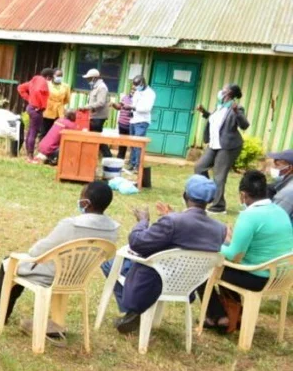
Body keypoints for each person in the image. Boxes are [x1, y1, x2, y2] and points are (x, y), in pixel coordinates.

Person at [0, 181, 119, 342]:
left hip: (51, 274)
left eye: (81, 197)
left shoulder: (71, 225)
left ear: (86, 203)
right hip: (78, 276)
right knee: (19, 264)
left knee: (10, 262)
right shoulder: (113, 229)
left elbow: (36, 252)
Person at [107, 175, 227, 334]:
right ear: (210, 201)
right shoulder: (219, 229)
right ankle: (134, 313)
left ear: (185, 195)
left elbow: (137, 242)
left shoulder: (172, 222)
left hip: (154, 280)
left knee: (110, 263)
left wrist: (142, 221)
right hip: (186, 284)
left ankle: (133, 310)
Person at [201, 170, 293, 332]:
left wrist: (214, 242)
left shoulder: (250, 216)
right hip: (283, 276)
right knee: (225, 266)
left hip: (259, 278)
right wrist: (231, 240)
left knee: (202, 268)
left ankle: (217, 316)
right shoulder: (280, 212)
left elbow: (234, 256)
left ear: (243, 194)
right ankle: (234, 314)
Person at [194, 83, 249, 213]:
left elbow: (245, 125)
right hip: (214, 144)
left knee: (219, 175)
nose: (221, 91)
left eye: (224, 89)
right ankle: (210, 193)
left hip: (228, 146)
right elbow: (215, 120)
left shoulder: (236, 107)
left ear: (229, 93)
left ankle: (218, 206)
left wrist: (236, 112)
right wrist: (204, 112)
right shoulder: (219, 107)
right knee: (199, 167)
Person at [17, 67, 54, 160]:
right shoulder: (43, 82)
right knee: (33, 132)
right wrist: (41, 105)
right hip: (36, 109)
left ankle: (28, 153)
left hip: (30, 107)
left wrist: (29, 99)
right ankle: (30, 155)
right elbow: (39, 91)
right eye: (51, 78)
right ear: (48, 77)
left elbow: (20, 88)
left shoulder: (35, 80)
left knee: (30, 131)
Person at [126, 76, 155, 171]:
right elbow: (134, 103)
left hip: (142, 121)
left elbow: (147, 108)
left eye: (137, 85)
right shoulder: (137, 92)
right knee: (132, 143)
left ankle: (137, 166)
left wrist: (133, 108)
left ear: (142, 83)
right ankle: (132, 163)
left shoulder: (150, 93)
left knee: (138, 144)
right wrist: (129, 108)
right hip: (133, 120)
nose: (136, 88)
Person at [81, 68, 111, 159]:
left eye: (88, 78)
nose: (87, 80)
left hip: (99, 116)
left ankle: (108, 155)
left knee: (97, 137)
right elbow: (92, 101)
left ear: (94, 78)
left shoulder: (102, 87)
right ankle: (97, 155)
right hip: (94, 115)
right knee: (95, 136)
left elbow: (100, 103)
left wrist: (87, 107)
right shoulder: (95, 87)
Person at [41, 69, 72, 138]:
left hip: (59, 112)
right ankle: (42, 146)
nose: (59, 77)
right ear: (53, 76)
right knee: (44, 130)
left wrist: (59, 104)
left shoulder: (66, 86)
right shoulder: (47, 84)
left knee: (56, 131)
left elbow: (67, 99)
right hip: (48, 110)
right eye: (57, 75)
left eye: (61, 76)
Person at [267, 149, 293, 222]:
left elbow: (272, 221)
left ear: (290, 168)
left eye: (277, 165)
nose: (274, 168)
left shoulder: (287, 193)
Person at [111, 83, 135, 161]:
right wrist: (113, 104)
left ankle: (132, 161)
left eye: (135, 90)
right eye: (132, 89)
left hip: (130, 125)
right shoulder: (125, 97)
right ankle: (120, 159)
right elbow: (119, 107)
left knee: (132, 144)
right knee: (122, 143)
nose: (133, 91)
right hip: (122, 124)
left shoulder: (137, 100)